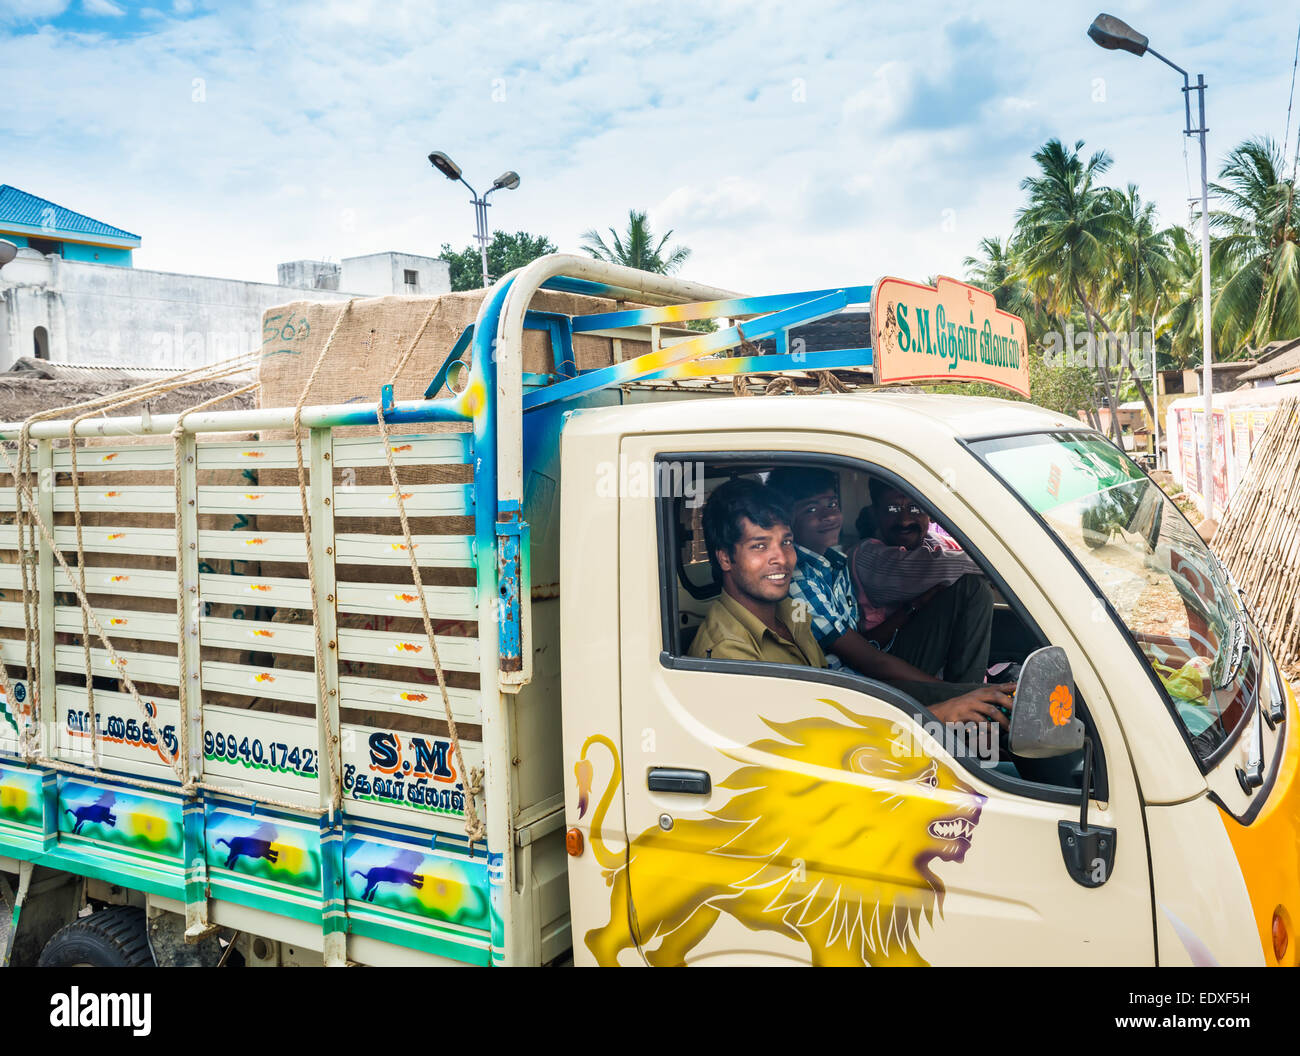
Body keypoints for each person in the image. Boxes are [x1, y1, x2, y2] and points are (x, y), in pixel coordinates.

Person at [691, 475, 1012, 730]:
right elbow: (814, 743)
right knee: (991, 716)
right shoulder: (728, 653)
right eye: (760, 546)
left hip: (858, 708)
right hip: (846, 768)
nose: (782, 558)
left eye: (786, 542)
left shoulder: (789, 613)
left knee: (998, 714)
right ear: (725, 558)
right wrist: (938, 712)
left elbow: (836, 698)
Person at [853, 478, 996, 688]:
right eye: (892, 509)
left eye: (915, 508)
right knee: (973, 589)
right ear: (875, 513)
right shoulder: (869, 557)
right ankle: (969, 699)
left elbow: (962, 555)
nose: (904, 520)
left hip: (915, 651)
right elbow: (950, 567)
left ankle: (970, 693)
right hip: (883, 664)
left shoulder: (929, 542)